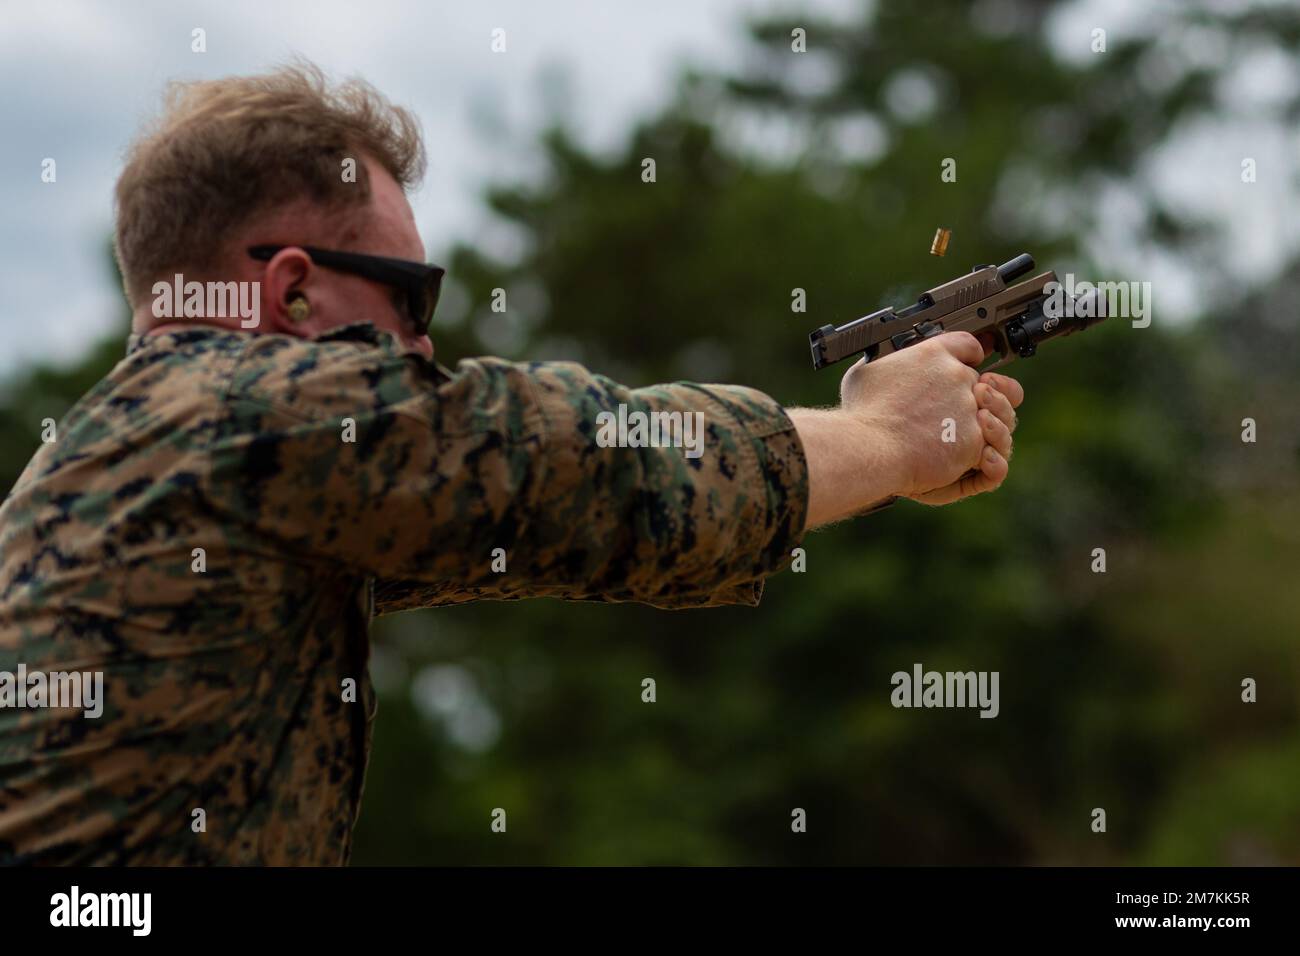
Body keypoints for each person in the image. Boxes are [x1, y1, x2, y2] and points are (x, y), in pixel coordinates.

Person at [0, 63, 1021, 864]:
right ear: (296, 292)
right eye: (410, 293)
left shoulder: (88, 474)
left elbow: (546, 526)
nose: (422, 348)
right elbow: (600, 473)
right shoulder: (264, 413)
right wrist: (890, 437)